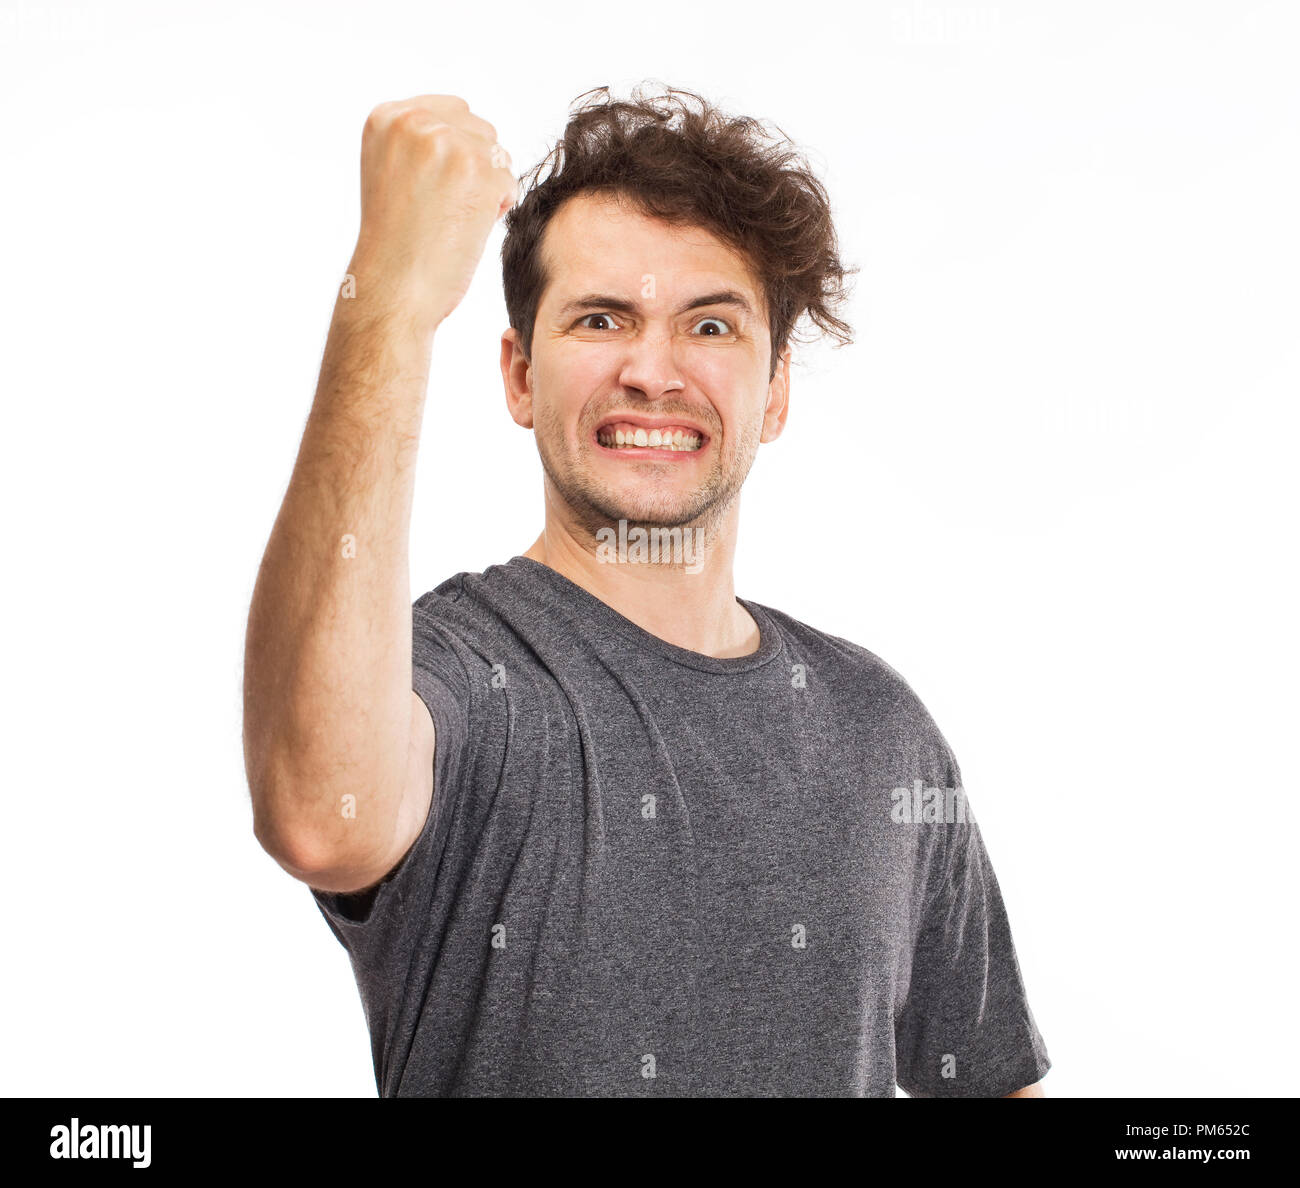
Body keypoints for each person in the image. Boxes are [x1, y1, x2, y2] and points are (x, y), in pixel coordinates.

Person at [242, 84, 1051, 1098]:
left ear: (777, 391)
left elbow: (988, 1084)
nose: (653, 371)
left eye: (709, 328)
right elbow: (322, 815)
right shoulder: (453, 681)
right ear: (520, 376)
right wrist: (391, 306)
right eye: (601, 317)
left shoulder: (876, 726)